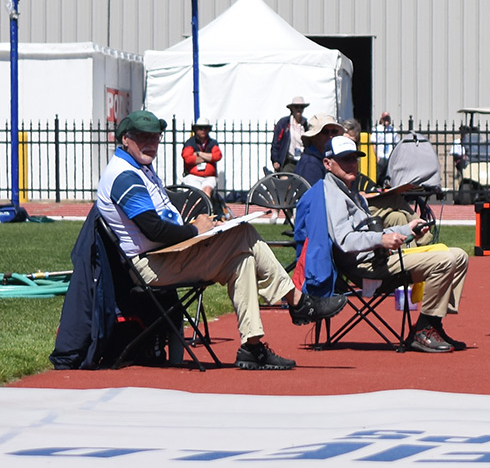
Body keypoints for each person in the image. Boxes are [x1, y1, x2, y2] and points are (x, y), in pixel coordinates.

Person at [94, 110, 345, 370]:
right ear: (125, 139)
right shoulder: (125, 175)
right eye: (142, 137)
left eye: (155, 137)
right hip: (151, 265)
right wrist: (195, 232)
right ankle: (297, 302)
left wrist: (203, 226)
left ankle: (253, 347)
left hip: (166, 254)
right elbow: (154, 230)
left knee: (242, 259)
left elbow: (160, 223)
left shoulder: (138, 167)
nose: (150, 143)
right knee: (243, 233)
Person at [310, 135, 470, 353]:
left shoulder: (350, 192)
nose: (351, 164)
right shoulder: (334, 195)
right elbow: (345, 240)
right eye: (344, 159)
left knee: (460, 255)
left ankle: (433, 323)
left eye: (354, 158)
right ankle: (424, 330)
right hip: (365, 267)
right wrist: (381, 239)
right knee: (446, 259)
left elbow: (370, 232)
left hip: (379, 258)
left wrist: (407, 229)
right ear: (328, 163)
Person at [292, 116, 347, 190]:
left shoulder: (322, 158)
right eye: (325, 132)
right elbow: (315, 195)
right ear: (313, 136)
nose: (330, 136)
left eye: (334, 131)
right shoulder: (310, 164)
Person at [179, 120, 222, 210]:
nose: (203, 130)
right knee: (197, 194)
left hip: (209, 176)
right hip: (193, 176)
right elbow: (187, 158)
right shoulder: (190, 142)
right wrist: (208, 157)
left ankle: (206, 212)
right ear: (196, 130)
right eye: (200, 128)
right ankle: (196, 213)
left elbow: (217, 156)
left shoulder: (212, 143)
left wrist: (198, 154)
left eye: (205, 128)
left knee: (207, 191)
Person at [270, 97, 310, 173]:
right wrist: (275, 160)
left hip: (303, 160)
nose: (299, 109)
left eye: (301, 107)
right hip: (289, 161)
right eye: (296, 107)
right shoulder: (284, 123)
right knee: (285, 180)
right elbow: (276, 142)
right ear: (292, 109)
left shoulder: (305, 125)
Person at [372, 112, 399, 177]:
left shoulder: (393, 130)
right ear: (381, 119)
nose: (386, 121)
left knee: (390, 174)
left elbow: (396, 145)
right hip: (381, 156)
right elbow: (374, 144)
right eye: (385, 119)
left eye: (387, 119)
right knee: (380, 174)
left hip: (390, 156)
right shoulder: (377, 129)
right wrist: (376, 156)